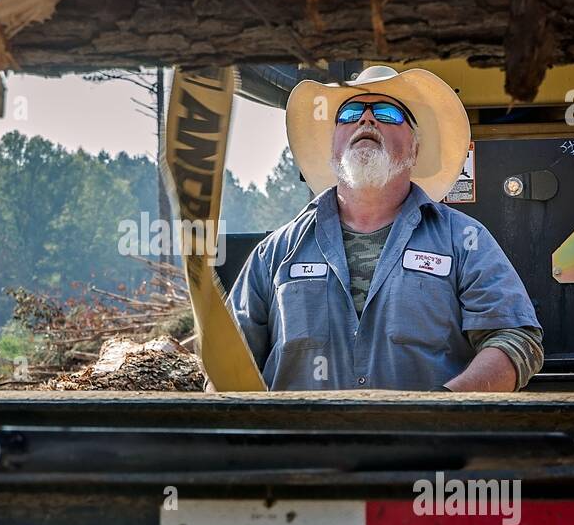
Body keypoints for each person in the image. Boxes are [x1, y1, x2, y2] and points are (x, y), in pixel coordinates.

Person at [227, 65, 543, 391]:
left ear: (415, 147)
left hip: (426, 442)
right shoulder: (275, 254)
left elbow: (515, 338)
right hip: (305, 443)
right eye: (349, 113)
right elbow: (226, 361)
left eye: (388, 113)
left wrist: (446, 409)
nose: (366, 119)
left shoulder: (464, 242)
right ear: (333, 145)